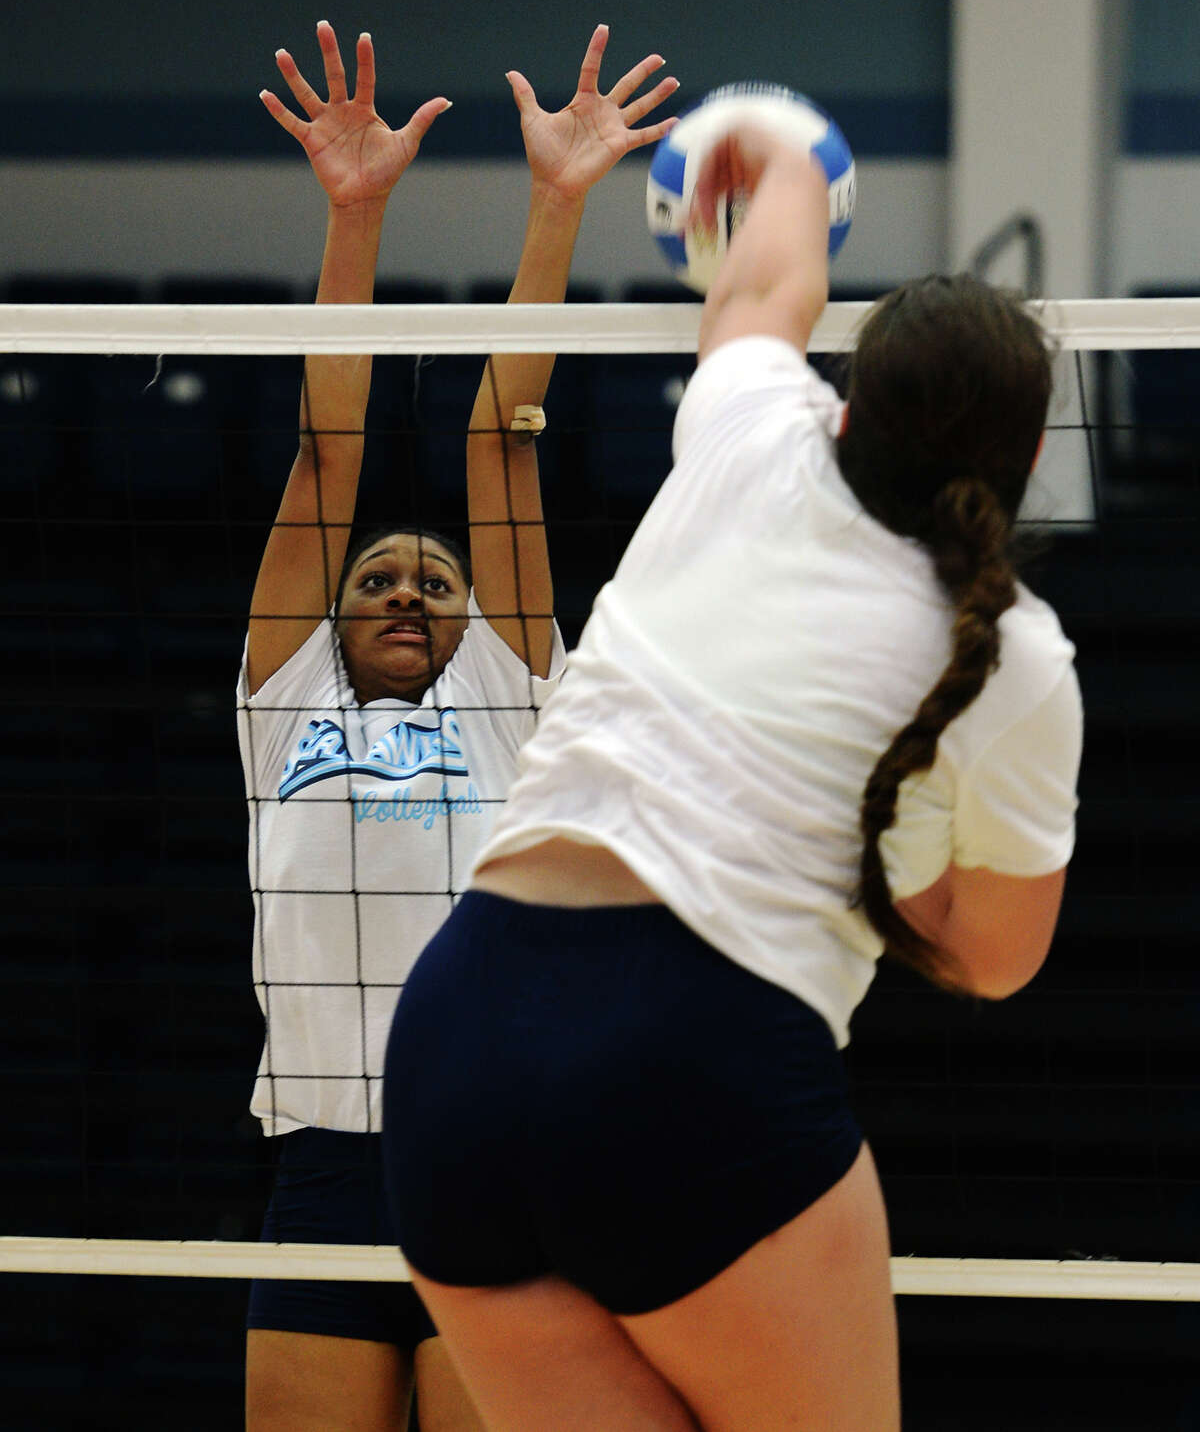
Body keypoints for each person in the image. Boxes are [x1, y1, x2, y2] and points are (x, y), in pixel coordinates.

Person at [381, 125, 1084, 1430]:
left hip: (452, 1037)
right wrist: (888, 862)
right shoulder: (1021, 657)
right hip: (686, 1059)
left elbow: (765, 287)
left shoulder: (754, 422)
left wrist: (782, 152)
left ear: (851, 406)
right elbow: (995, 956)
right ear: (1027, 465)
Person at [237, 19, 678, 1432]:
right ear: (333, 617)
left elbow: (503, 433)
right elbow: (327, 449)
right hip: (320, 1171)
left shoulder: (504, 694)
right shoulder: (279, 694)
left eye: (436, 574)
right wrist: (351, 217)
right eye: (381, 575)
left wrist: (559, 202)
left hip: (485, 1154)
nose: (412, 585)